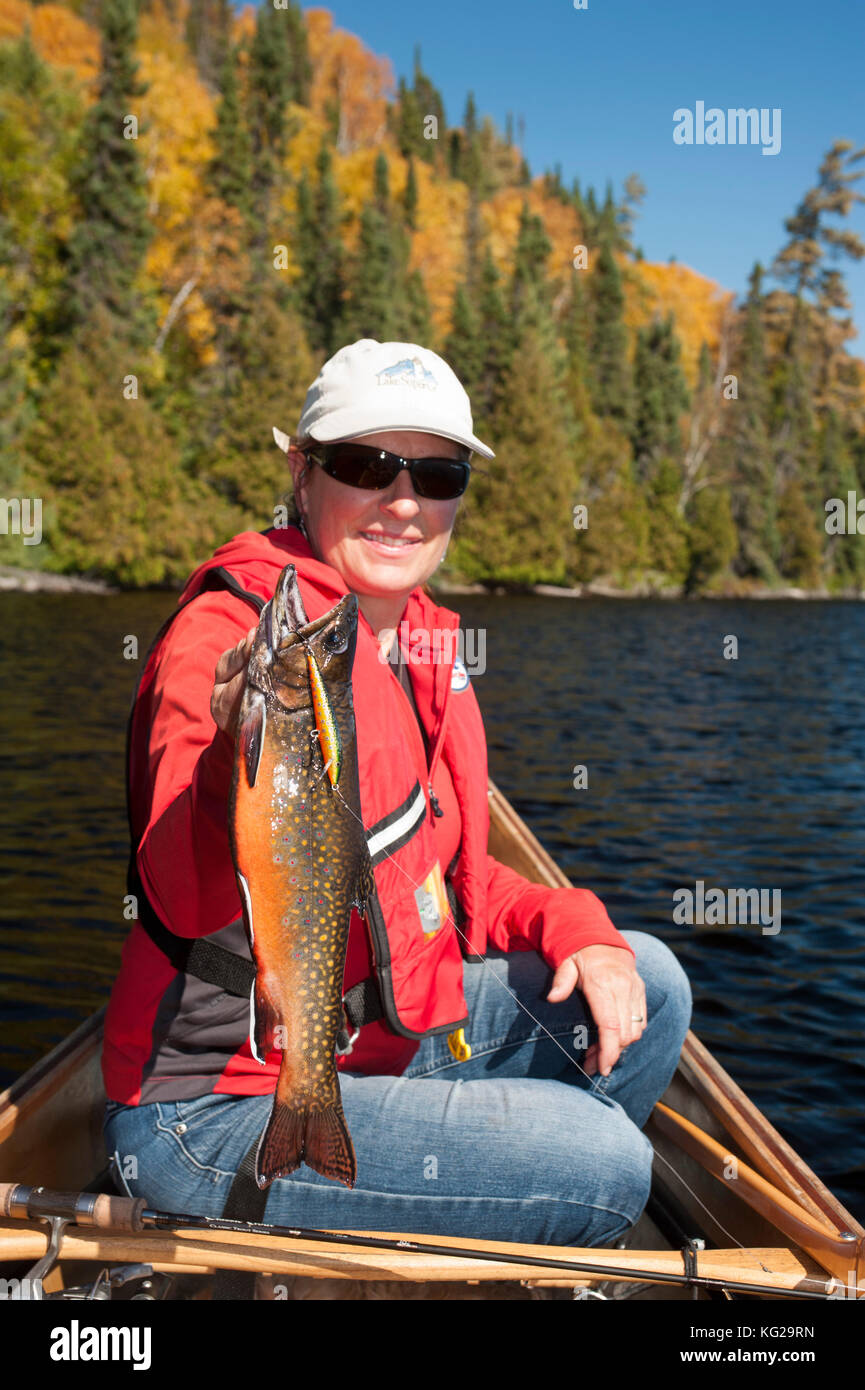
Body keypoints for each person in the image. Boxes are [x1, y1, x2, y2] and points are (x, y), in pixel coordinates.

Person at [103, 338, 691, 1252]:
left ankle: (458, 1211)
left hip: (371, 1043)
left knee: (649, 981)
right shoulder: (229, 637)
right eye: (365, 465)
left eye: (437, 473)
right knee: (610, 1165)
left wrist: (575, 924)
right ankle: (494, 1203)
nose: (405, 500)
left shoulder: (412, 641)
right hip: (210, 1108)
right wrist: (234, 752)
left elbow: (439, 880)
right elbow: (181, 890)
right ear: (303, 475)